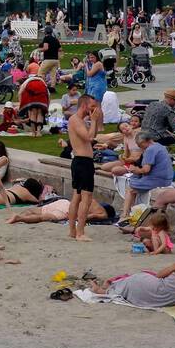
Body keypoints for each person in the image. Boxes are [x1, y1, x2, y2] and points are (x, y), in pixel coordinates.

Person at [91, 251, 175, 308]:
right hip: (163, 301)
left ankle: (101, 290)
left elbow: (159, 276)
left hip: (150, 291)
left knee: (136, 278)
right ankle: (109, 286)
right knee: (139, 279)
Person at [67, 94, 101, 242]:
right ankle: (80, 232)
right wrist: (93, 120)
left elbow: (92, 136)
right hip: (82, 162)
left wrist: (94, 121)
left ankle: (73, 231)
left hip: (81, 161)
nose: (94, 109)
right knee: (85, 198)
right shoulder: (76, 120)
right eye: (92, 106)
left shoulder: (79, 120)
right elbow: (88, 137)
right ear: (84, 105)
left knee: (77, 196)